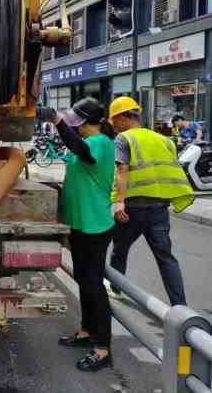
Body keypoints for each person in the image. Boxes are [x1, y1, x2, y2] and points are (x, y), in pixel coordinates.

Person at [44, 98, 116, 372]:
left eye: (77, 121)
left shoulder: (100, 143)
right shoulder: (85, 145)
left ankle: (102, 347)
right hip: (80, 224)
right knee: (84, 281)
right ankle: (87, 332)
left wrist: (57, 121)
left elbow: (79, 147)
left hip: (95, 224)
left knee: (93, 285)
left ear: (86, 121)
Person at [108, 97, 194, 306]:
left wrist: (119, 202)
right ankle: (180, 306)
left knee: (120, 249)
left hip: (133, 208)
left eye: (115, 121)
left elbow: (121, 170)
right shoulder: (164, 140)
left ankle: (116, 288)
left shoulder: (124, 138)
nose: (114, 126)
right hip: (159, 209)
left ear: (123, 117)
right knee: (166, 258)